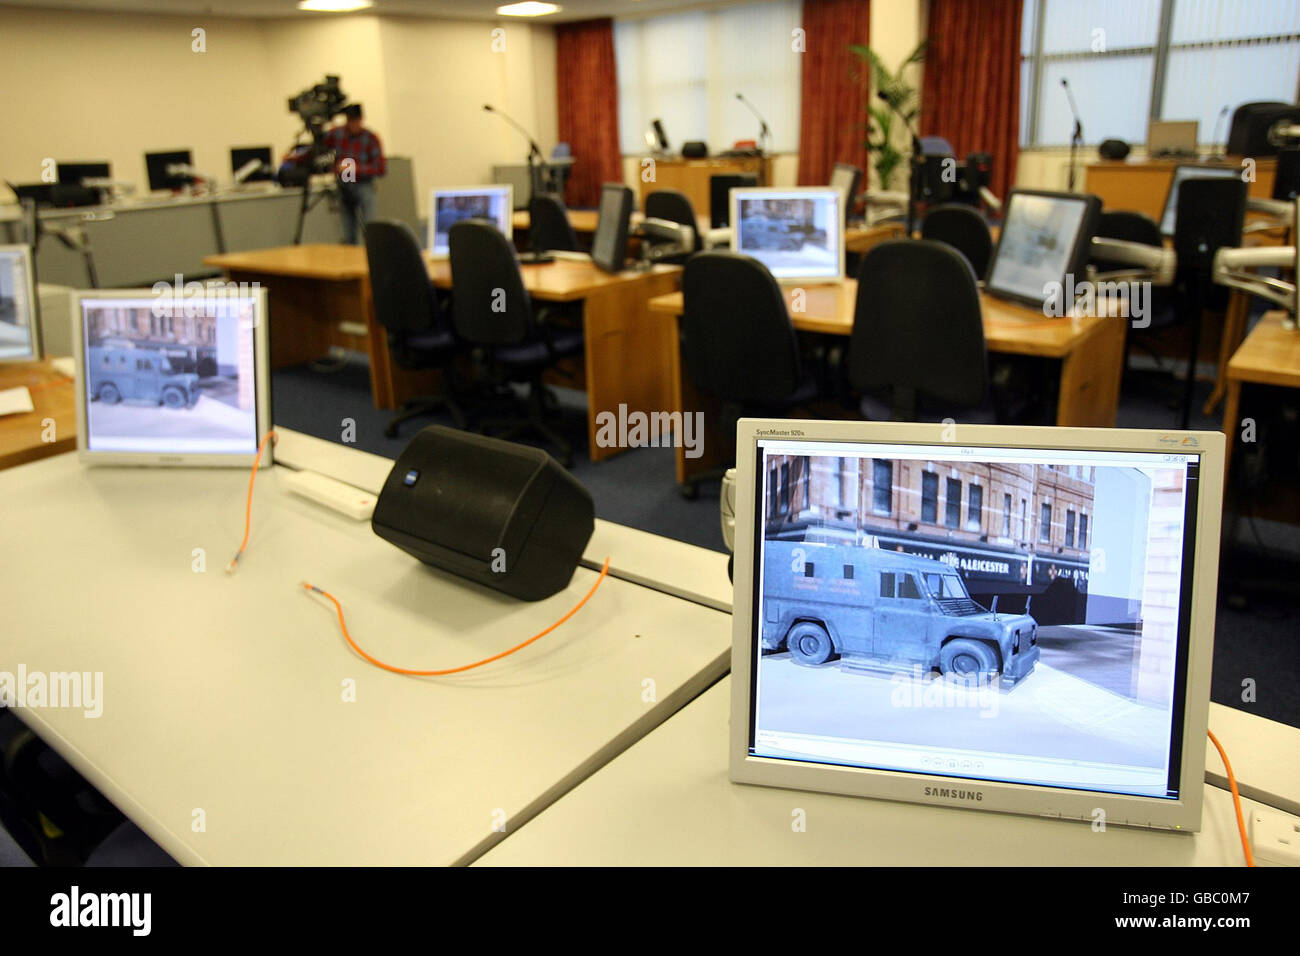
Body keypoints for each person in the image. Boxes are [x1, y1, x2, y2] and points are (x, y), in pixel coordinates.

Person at [322, 103, 386, 244]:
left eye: (355, 121)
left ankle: (373, 247)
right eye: (350, 121)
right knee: (347, 231)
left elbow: (380, 168)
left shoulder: (370, 138)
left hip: (364, 184)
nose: (353, 125)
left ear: (361, 119)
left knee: (370, 225)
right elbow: (320, 147)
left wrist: (355, 168)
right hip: (344, 183)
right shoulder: (338, 134)